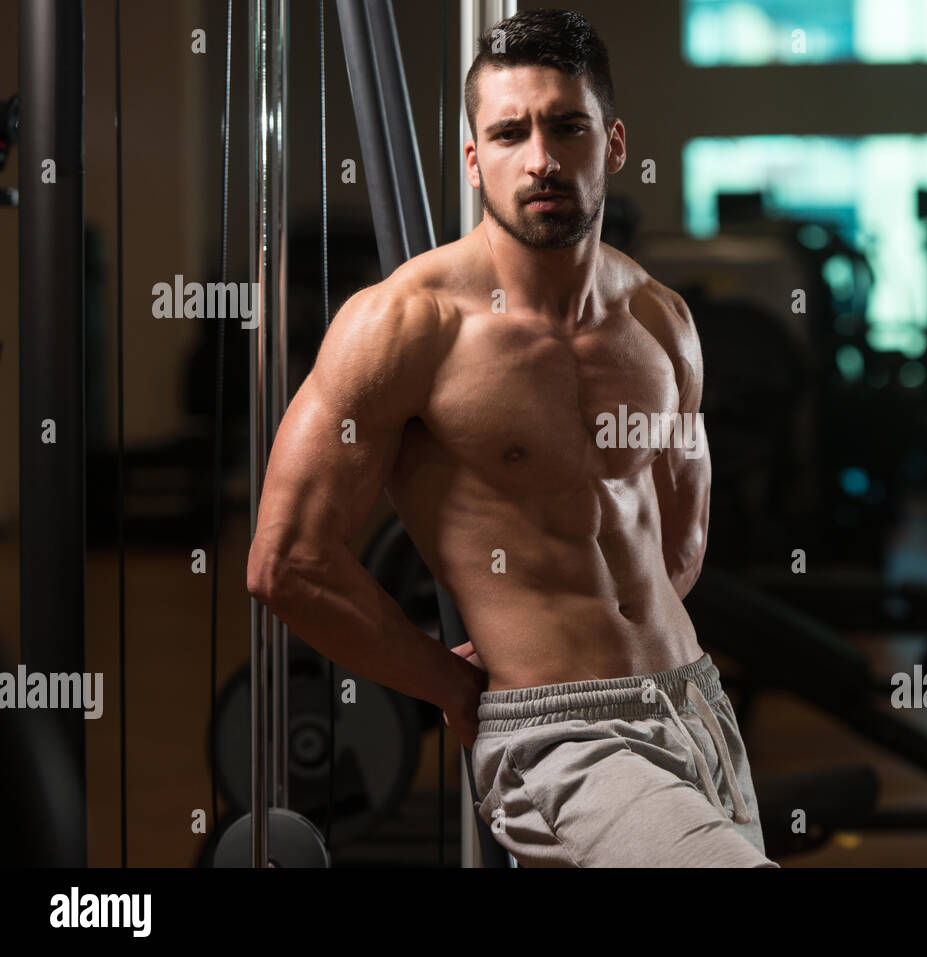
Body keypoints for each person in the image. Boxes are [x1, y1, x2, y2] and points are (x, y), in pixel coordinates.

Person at [246, 8, 775, 868]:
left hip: (696, 704)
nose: (539, 157)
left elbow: (679, 542)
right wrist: (451, 682)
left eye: (567, 126)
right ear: (474, 159)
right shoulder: (405, 326)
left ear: (611, 143)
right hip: (561, 737)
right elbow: (286, 561)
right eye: (508, 132)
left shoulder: (659, 318)